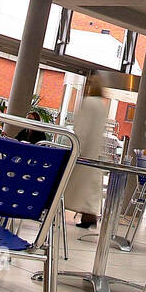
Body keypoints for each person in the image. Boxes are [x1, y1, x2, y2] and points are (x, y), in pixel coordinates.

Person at [63, 72, 109, 228]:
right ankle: (89, 215)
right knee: (90, 186)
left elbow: (82, 128)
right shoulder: (102, 105)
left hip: (83, 149)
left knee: (73, 182)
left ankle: (58, 208)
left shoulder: (88, 102)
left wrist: (75, 145)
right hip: (94, 150)